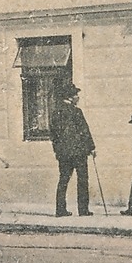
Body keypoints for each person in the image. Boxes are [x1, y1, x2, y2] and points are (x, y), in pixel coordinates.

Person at [49, 83, 97, 217]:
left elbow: (53, 134)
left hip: (63, 153)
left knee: (63, 179)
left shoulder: (55, 111)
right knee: (82, 179)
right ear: (70, 97)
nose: (78, 97)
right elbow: (84, 131)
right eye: (76, 95)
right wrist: (92, 148)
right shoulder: (76, 111)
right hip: (79, 152)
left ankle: (60, 210)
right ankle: (83, 210)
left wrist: (57, 151)